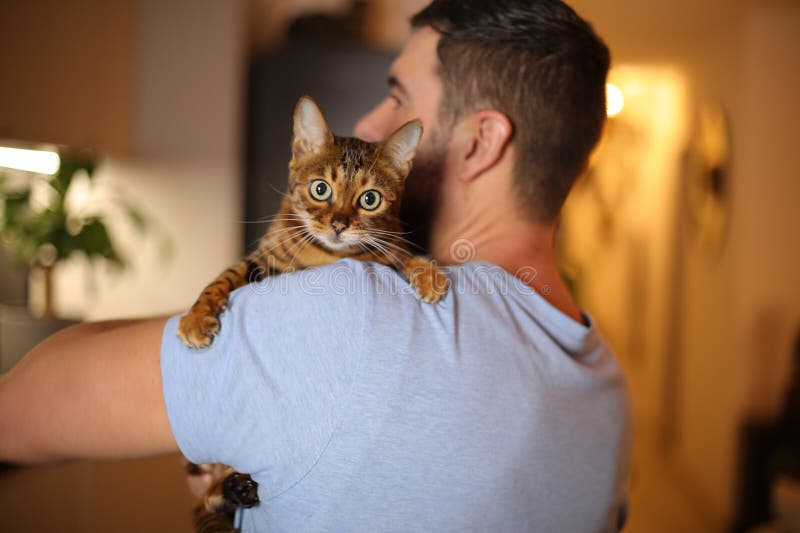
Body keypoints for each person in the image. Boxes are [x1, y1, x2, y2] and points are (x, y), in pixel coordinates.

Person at [0, 0, 632, 531]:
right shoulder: (608, 390)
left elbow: (21, 412)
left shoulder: (348, 310)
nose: (367, 124)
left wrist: (241, 342)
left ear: (482, 141)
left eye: (398, 97)